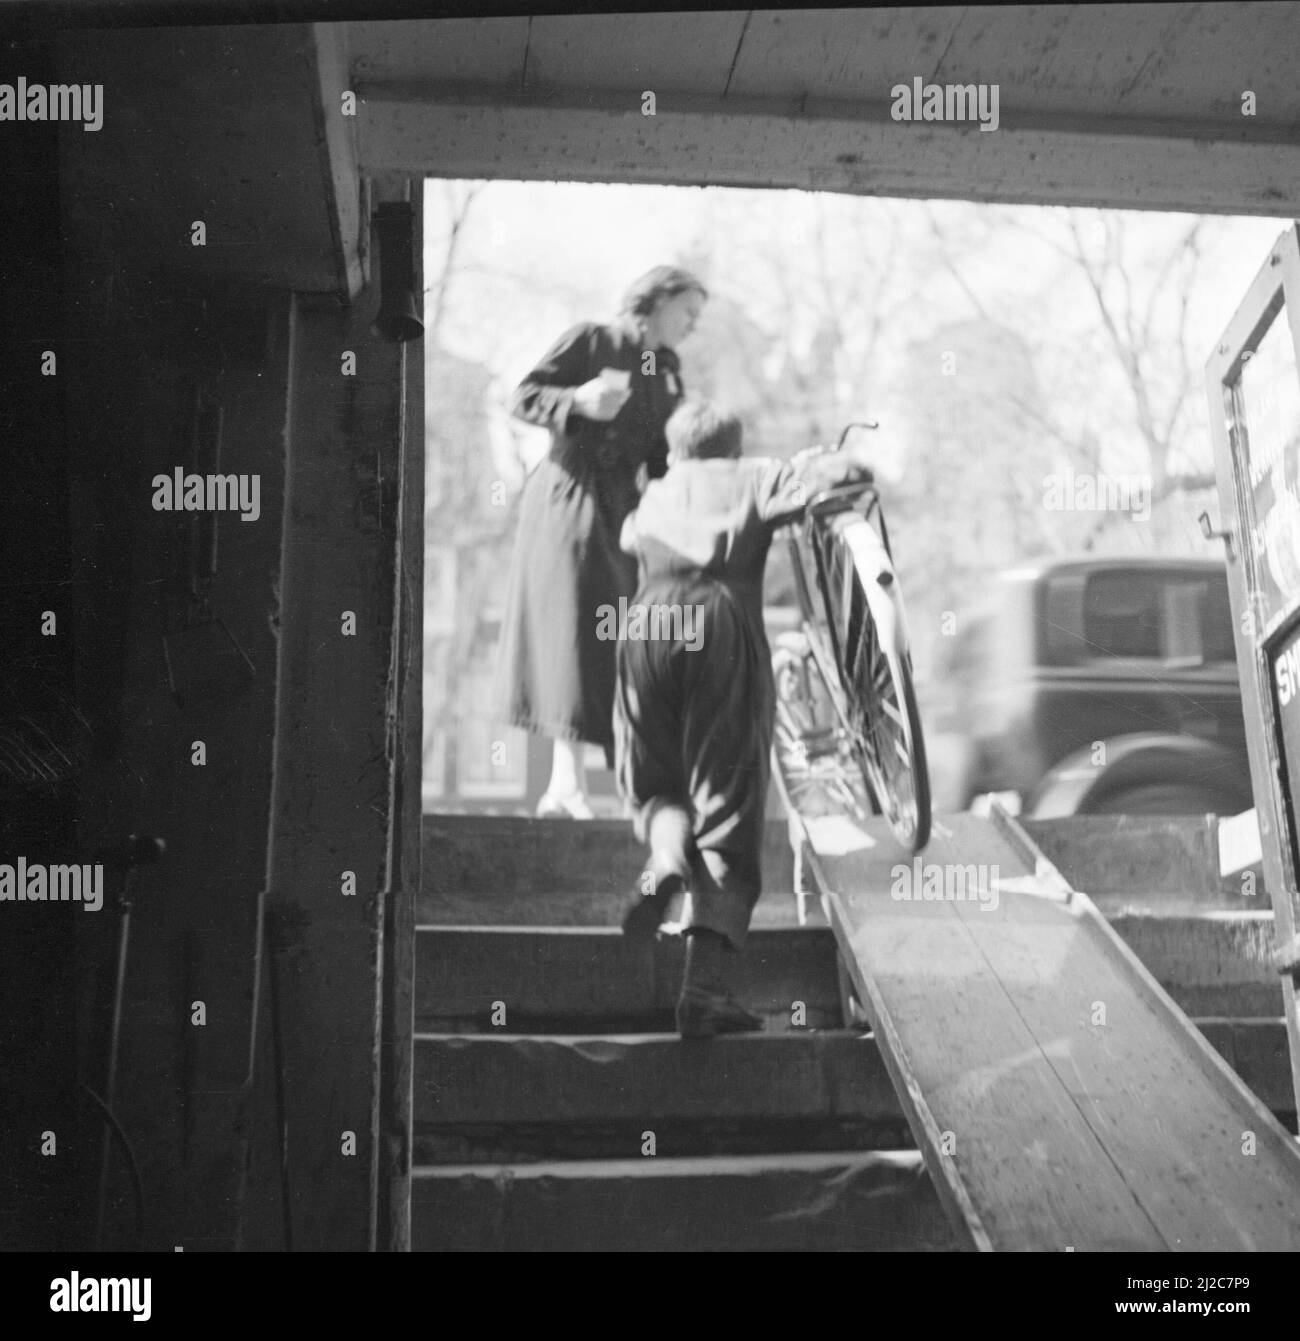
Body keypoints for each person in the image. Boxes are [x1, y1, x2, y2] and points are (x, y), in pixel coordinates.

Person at [613, 401, 872, 1037]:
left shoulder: (657, 492)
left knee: (655, 781)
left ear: (676, 450)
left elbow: (625, 540)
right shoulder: (753, 475)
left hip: (644, 626)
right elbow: (836, 482)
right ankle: (703, 992)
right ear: (732, 446)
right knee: (727, 800)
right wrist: (831, 462)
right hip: (718, 621)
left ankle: (668, 857)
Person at [495, 266, 707, 818]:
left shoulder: (664, 371)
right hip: (571, 500)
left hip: (625, 513)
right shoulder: (592, 340)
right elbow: (522, 398)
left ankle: (605, 786)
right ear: (655, 302)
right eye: (687, 311)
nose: (693, 324)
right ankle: (565, 783)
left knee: (624, 637)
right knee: (575, 631)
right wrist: (578, 402)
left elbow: (661, 460)